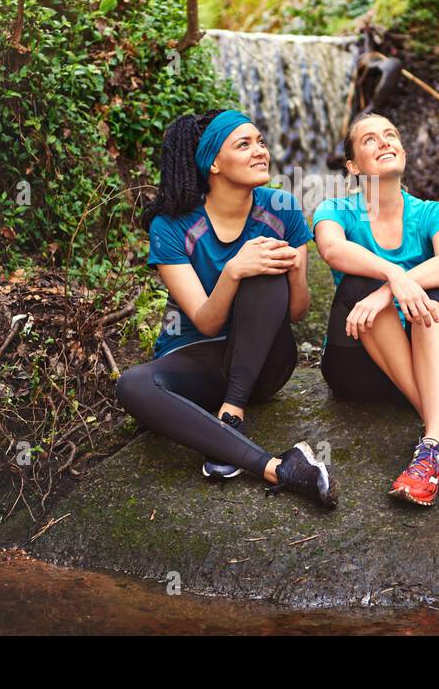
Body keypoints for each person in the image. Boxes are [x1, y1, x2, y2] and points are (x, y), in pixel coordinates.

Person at [114, 108, 337, 508]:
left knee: (266, 266)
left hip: (264, 364)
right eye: (244, 144)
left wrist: (297, 269)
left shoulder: (281, 208)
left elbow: (298, 312)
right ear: (213, 162)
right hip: (197, 362)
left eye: (261, 142)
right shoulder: (172, 226)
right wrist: (233, 271)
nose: (260, 152)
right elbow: (206, 319)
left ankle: (231, 413)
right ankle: (279, 467)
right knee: (131, 385)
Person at [313, 112, 439, 507]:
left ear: (402, 150)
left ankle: (433, 443)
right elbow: (332, 249)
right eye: (370, 139)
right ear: (352, 166)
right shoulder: (334, 210)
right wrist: (392, 274)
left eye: (391, 135)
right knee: (358, 282)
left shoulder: (434, 213)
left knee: (430, 289)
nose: (384, 142)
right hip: (358, 368)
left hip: (428, 362)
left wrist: (391, 290)